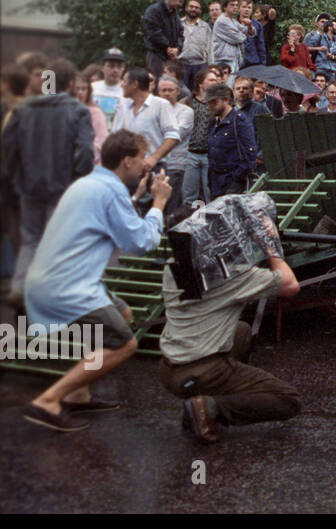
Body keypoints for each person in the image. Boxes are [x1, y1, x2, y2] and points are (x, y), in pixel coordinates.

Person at [20, 131, 172, 432]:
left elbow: (110, 215)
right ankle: (48, 401)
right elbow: (141, 242)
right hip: (68, 288)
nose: (145, 164)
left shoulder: (90, 182)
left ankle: (79, 392)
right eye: (141, 157)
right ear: (127, 160)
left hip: (49, 280)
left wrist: (139, 195)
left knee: (123, 315)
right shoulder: (109, 190)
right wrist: (159, 203)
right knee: (124, 345)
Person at [157, 213, 302, 444]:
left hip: (169, 369)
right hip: (203, 371)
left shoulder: (172, 265)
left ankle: (198, 407)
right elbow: (289, 284)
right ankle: (209, 407)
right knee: (287, 400)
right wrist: (269, 244)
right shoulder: (231, 275)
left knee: (241, 332)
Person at [1, 58, 94, 306]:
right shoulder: (77, 111)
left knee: (30, 238)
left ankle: (20, 286)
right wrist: (78, 179)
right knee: (57, 241)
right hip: (62, 187)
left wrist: (15, 177)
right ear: (72, 83)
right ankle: (49, 295)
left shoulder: (23, 110)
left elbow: (9, 149)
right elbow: (85, 151)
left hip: (29, 186)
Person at [110, 68, 180, 186]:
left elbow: (173, 136)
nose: (121, 85)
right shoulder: (124, 106)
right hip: (126, 171)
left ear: (135, 84)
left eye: (124, 81)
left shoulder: (160, 105)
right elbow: (115, 135)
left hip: (152, 169)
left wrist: (153, 158)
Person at [205, 84, 258, 197]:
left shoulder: (239, 121)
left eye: (214, 102)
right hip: (216, 181)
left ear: (226, 100)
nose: (210, 106)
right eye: (208, 103)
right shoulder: (214, 123)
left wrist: (237, 178)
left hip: (232, 182)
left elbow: (249, 153)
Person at [155, 73, 194, 214]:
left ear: (178, 92)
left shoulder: (186, 111)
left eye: (170, 90)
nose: (166, 94)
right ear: (158, 92)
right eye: (163, 90)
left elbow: (175, 134)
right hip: (154, 166)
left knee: (171, 207)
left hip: (176, 166)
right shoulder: (152, 110)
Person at [185, 68, 221, 206]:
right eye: (211, 79)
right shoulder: (187, 102)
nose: (215, 82)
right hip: (190, 153)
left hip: (208, 154)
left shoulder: (217, 104)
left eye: (216, 80)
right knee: (189, 195)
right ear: (200, 84)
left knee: (209, 193)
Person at [140, 0, 186, 80]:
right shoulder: (153, 11)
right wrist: (167, 47)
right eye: (180, 1)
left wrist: (177, 48)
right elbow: (152, 32)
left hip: (171, 57)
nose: (180, 5)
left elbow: (180, 33)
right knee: (156, 82)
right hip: (156, 54)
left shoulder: (175, 15)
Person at [72, 67, 109, 164]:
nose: (80, 92)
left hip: (91, 164)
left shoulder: (96, 113)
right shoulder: (65, 111)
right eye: (77, 89)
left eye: (84, 89)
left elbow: (101, 142)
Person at [177, 0, 213, 89]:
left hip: (200, 65)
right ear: (186, 8)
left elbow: (210, 47)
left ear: (200, 11)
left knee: (198, 92)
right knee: (181, 93)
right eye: (191, 6)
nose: (193, 9)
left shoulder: (205, 27)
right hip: (181, 64)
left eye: (196, 8)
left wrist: (210, 66)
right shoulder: (178, 24)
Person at [212, 0, 251, 71]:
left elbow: (248, 32)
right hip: (224, 60)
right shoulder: (222, 21)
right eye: (232, 5)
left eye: (236, 5)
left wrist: (249, 26)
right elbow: (239, 38)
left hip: (233, 59)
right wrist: (244, 31)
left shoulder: (233, 21)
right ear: (224, 7)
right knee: (226, 82)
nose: (235, 7)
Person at [91, 47, 128, 122]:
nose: (115, 70)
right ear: (102, 67)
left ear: (123, 68)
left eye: (119, 66)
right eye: (111, 66)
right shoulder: (92, 88)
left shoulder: (128, 90)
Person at [305, 13, 336, 80]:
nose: (324, 24)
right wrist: (318, 48)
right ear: (317, 23)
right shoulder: (310, 35)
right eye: (322, 22)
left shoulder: (333, 37)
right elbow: (304, 49)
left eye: (326, 22)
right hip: (314, 66)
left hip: (329, 68)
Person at [239, 0, 265, 68]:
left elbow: (261, 46)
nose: (246, 9)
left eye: (249, 7)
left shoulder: (258, 25)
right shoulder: (232, 23)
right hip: (237, 62)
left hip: (253, 62)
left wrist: (262, 64)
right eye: (244, 7)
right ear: (239, 8)